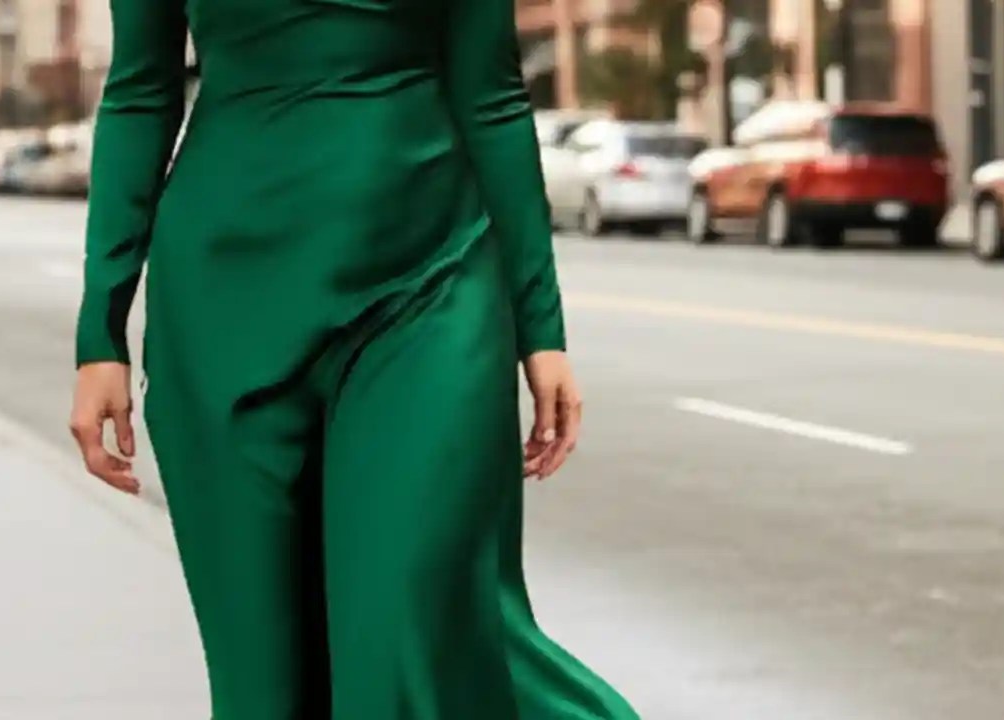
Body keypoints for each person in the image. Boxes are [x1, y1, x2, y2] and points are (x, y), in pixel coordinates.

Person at [68, 0, 639, 717]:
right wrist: (101, 334)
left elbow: (491, 95)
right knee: (264, 691)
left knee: (412, 628)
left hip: (431, 280)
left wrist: (541, 326)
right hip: (224, 307)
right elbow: (140, 92)